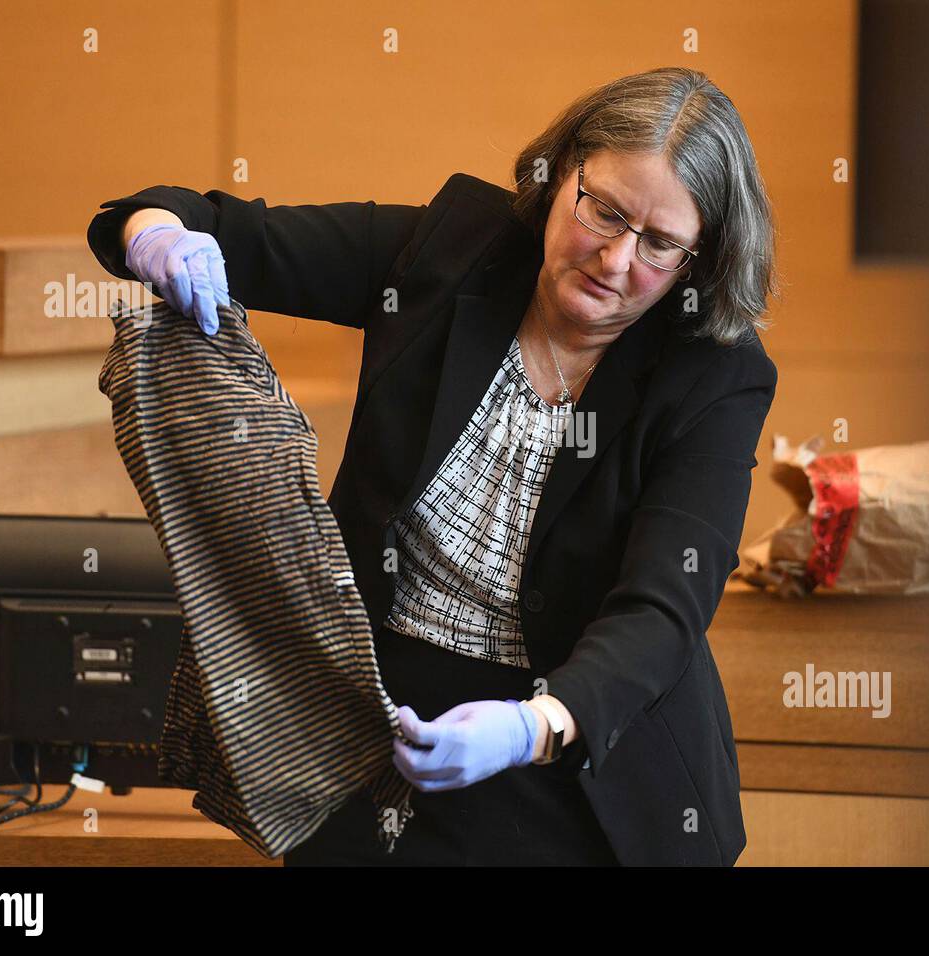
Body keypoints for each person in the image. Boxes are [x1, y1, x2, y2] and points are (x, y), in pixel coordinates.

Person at [86, 66, 778, 866]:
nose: (617, 259)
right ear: (561, 176)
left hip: (579, 752)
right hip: (379, 729)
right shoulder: (450, 252)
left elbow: (663, 609)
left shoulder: (714, 374)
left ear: (698, 259)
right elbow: (195, 221)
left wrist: (531, 725)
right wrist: (160, 237)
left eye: (659, 243)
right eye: (605, 212)